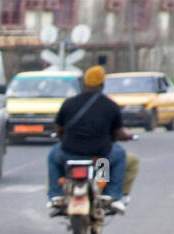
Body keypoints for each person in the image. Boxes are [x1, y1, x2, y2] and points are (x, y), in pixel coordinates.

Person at [47, 65, 134, 215]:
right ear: (102, 84)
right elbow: (118, 132)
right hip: (99, 157)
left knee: (53, 156)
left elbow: (59, 129)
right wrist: (128, 136)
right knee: (118, 155)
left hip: (69, 154)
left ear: (85, 83)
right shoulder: (110, 106)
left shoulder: (69, 103)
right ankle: (112, 195)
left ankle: (55, 196)